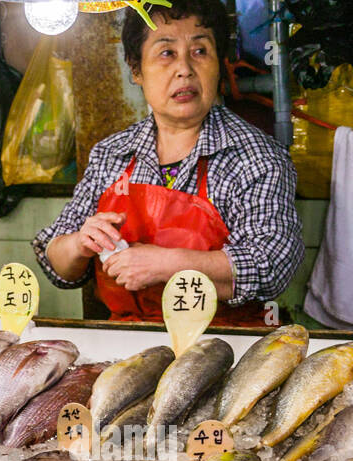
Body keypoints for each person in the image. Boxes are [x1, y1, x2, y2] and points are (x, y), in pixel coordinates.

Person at [31, 0, 304, 324]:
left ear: (221, 63)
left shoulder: (257, 158)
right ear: (136, 70)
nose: (185, 69)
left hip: (229, 349)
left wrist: (166, 264)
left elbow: (271, 266)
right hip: (129, 347)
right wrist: (80, 243)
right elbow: (56, 263)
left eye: (200, 51)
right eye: (166, 53)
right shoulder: (112, 154)